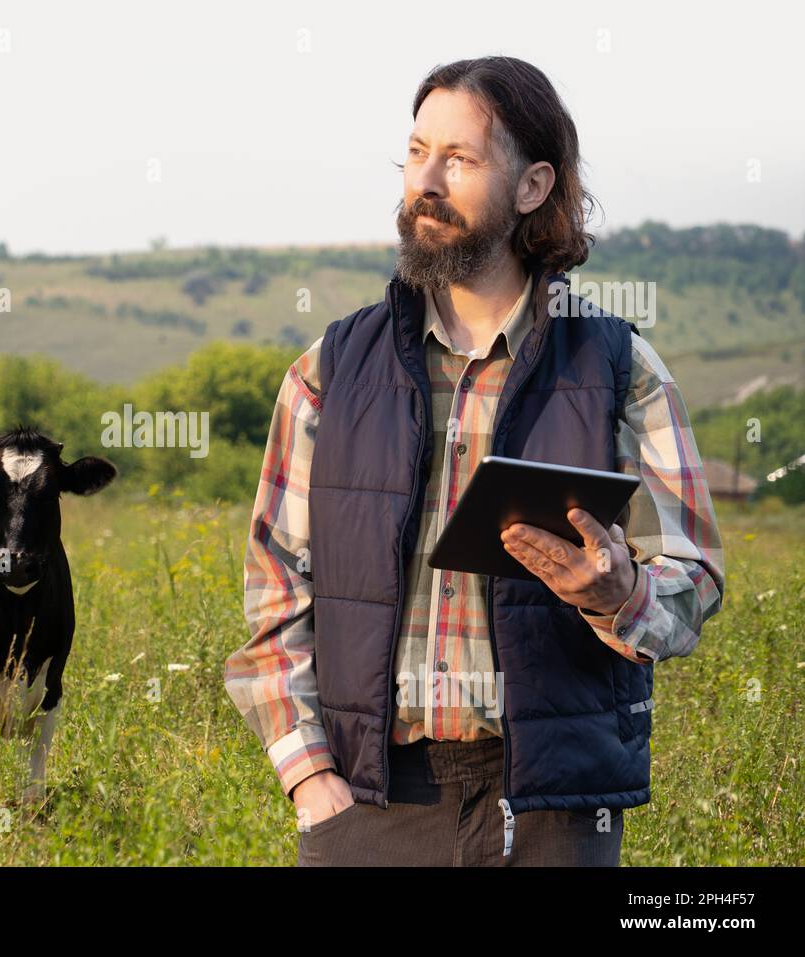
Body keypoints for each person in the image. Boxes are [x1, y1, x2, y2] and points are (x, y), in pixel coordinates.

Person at [224, 56, 726, 866]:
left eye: (458, 160)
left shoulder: (621, 368)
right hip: (371, 806)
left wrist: (621, 593)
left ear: (532, 187)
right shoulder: (329, 369)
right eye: (416, 152)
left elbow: (695, 578)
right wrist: (311, 778)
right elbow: (275, 583)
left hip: (555, 814)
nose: (426, 179)